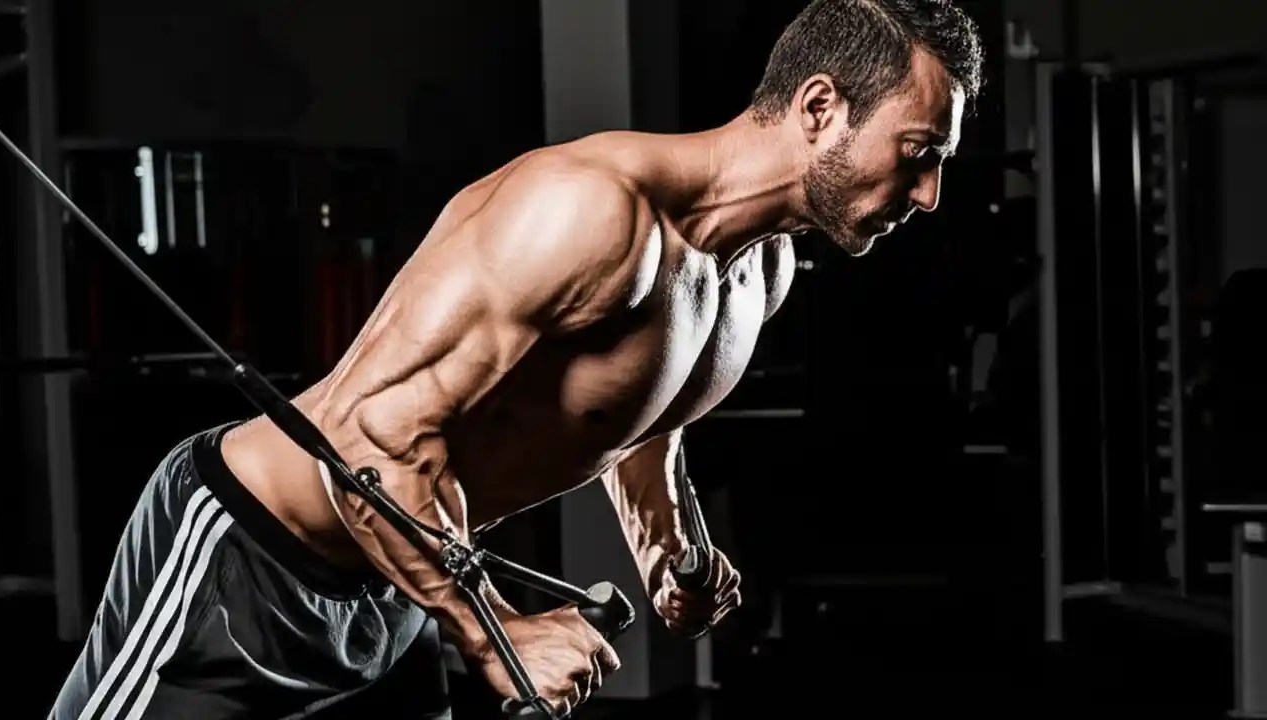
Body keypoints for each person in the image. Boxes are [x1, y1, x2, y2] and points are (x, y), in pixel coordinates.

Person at [49, 1, 983, 717]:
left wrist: (669, 550)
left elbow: (641, 420)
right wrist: (497, 635)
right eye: (918, 152)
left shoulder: (759, 274)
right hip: (254, 554)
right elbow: (372, 437)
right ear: (820, 107)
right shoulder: (586, 210)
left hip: (401, 579)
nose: (931, 193)